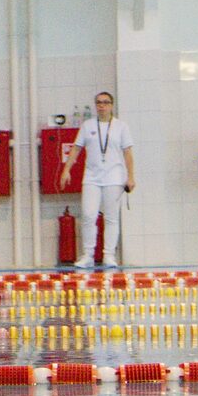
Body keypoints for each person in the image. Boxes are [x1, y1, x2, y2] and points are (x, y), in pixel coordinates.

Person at [57, 91, 135, 270]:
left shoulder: (121, 127)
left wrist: (130, 176)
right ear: (95, 105)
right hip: (92, 177)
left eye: (106, 102)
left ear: (112, 105)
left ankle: (109, 255)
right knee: (88, 215)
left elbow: (128, 153)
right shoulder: (88, 125)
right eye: (99, 102)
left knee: (111, 217)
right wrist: (66, 170)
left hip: (114, 177)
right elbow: (76, 150)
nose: (102, 106)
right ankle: (88, 255)